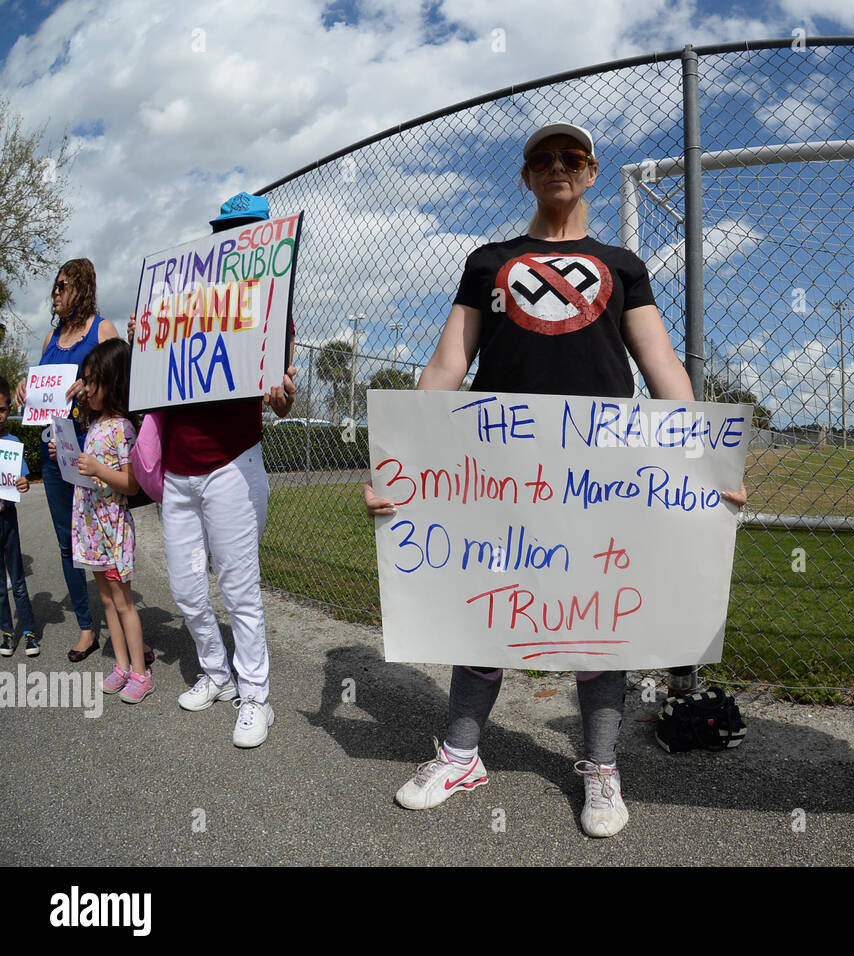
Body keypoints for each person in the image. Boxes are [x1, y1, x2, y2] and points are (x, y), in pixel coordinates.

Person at [364, 121, 745, 838]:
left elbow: (661, 365)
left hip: (603, 473)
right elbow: (450, 364)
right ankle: (461, 752)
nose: (556, 167)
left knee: (601, 621)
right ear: (526, 175)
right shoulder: (488, 261)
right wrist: (398, 458)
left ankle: (600, 767)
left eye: (571, 157)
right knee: (488, 614)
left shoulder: (622, 263)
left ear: (593, 170)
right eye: (541, 158)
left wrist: (709, 459)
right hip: (498, 471)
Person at [131, 191, 297, 745]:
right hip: (178, 471)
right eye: (226, 229)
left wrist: (281, 398)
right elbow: (156, 381)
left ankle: (256, 698)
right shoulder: (179, 307)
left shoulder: (272, 309)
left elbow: (280, 397)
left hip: (231, 463)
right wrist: (145, 341)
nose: (235, 239)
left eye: (247, 230)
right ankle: (216, 674)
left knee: (239, 588)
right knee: (186, 589)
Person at [15, 259, 131, 662]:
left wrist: (89, 385)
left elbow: (118, 381)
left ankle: (129, 632)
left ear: (81, 286)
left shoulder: (102, 329)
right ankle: (88, 628)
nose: (56, 293)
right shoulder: (51, 337)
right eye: (55, 286)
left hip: (94, 453)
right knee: (70, 543)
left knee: (108, 542)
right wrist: (23, 386)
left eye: (63, 285)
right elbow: (41, 387)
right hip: (53, 453)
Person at [68, 340, 149, 702]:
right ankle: (121, 665)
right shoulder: (95, 423)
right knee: (106, 598)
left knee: (123, 600)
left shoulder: (123, 429)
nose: (86, 388)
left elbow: (130, 484)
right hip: (91, 527)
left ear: (112, 381)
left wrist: (99, 469)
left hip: (112, 526)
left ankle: (141, 672)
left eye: (92, 381)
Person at [0, 377, 37, 658]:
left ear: (9, 407)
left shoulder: (13, 443)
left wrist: (23, 483)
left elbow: (21, 478)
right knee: (0, 584)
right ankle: (7, 632)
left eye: (2, 409)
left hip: (8, 518)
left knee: (19, 582)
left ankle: (29, 633)